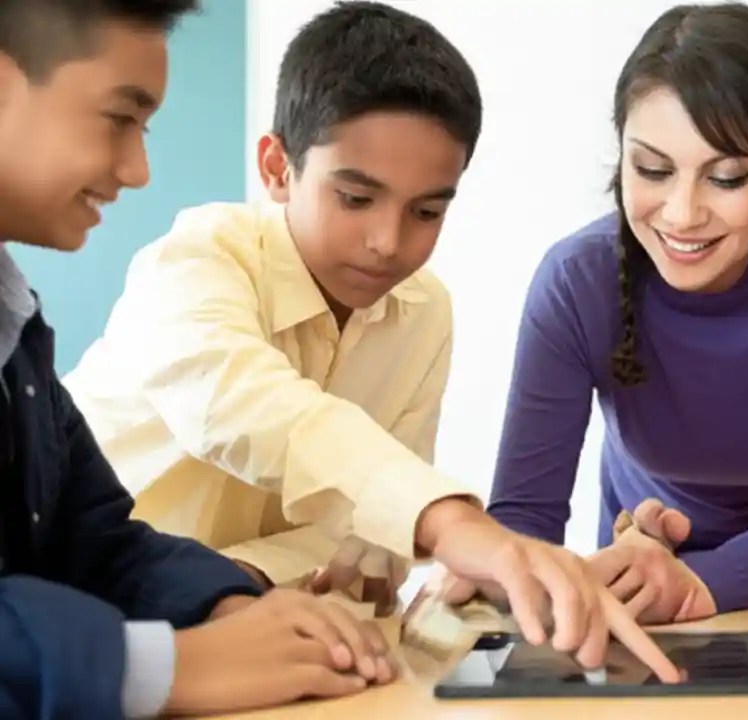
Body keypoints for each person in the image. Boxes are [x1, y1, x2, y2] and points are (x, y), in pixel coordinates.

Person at [62, 0, 678, 681]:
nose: (388, 242)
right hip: (94, 632)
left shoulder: (423, 313)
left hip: (265, 640)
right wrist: (449, 523)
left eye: (426, 211)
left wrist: (256, 580)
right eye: (355, 199)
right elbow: (246, 411)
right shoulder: (191, 262)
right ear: (277, 167)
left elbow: (367, 544)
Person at [0, 0, 403, 716]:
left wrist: (230, 607)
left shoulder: (15, 324)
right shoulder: (196, 261)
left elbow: (97, 542)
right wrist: (163, 667)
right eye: (118, 119)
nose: (138, 170)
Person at [485, 2, 748, 623]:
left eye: (728, 177)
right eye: (652, 169)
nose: (682, 214)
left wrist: (688, 579)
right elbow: (523, 518)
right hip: (641, 586)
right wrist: (500, 571)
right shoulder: (576, 281)